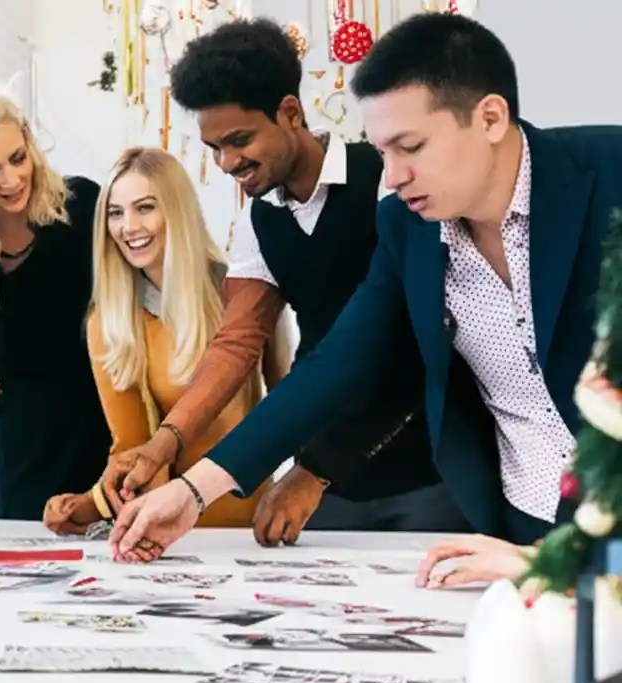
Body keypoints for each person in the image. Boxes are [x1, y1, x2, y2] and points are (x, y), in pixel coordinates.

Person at [110, 13, 622, 565]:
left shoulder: (609, 171)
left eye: (411, 147)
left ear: (490, 117)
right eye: (384, 151)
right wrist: (191, 492)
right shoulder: (408, 227)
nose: (394, 174)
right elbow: (340, 363)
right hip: (523, 520)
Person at [103, 18, 471, 546]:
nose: (228, 163)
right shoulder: (261, 220)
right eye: (214, 148)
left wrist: (313, 471)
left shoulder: (388, 185)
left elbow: (413, 351)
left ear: (290, 113)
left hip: (427, 472)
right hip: (327, 480)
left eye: (240, 140)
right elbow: (236, 343)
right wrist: (163, 444)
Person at [43, 147, 266, 535]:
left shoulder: (240, 293)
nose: (128, 226)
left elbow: (287, 400)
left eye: (144, 208)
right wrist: (94, 503)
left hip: (257, 522)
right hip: (174, 530)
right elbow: (131, 445)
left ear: (175, 210)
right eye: (115, 213)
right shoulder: (109, 321)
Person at [0, 80, 112, 538]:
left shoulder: (83, 206)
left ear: (29, 142)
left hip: (109, 413)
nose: (11, 180)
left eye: (17, 158)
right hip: (22, 437)